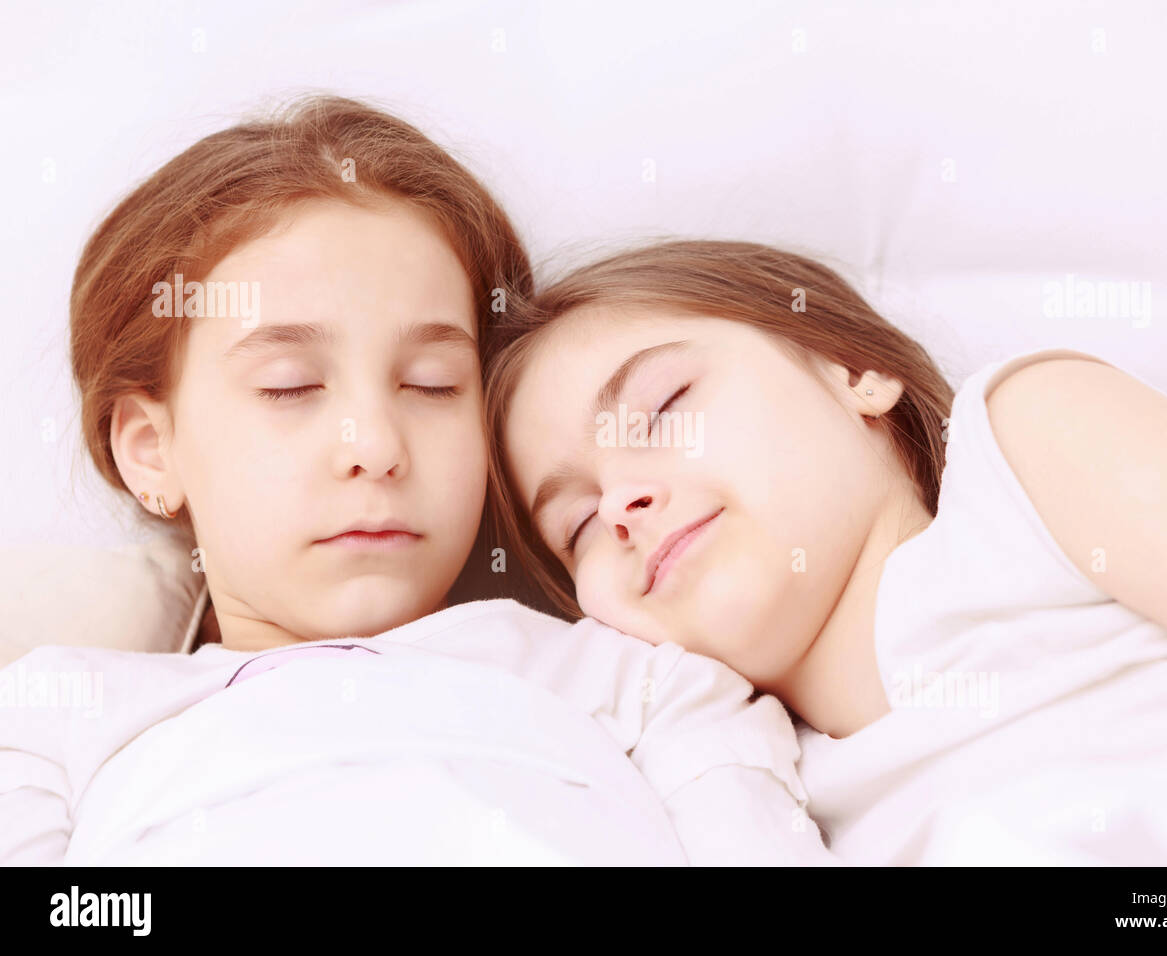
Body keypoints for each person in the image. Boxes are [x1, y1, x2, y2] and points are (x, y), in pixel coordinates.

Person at [0, 100, 836, 866]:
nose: (376, 449)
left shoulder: (637, 682)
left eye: (433, 384)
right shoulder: (53, 719)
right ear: (152, 449)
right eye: (291, 386)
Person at [485, 238, 1167, 863]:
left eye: (664, 407)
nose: (622, 505)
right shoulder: (748, 800)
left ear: (856, 370)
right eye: (578, 526)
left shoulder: (1024, 457)